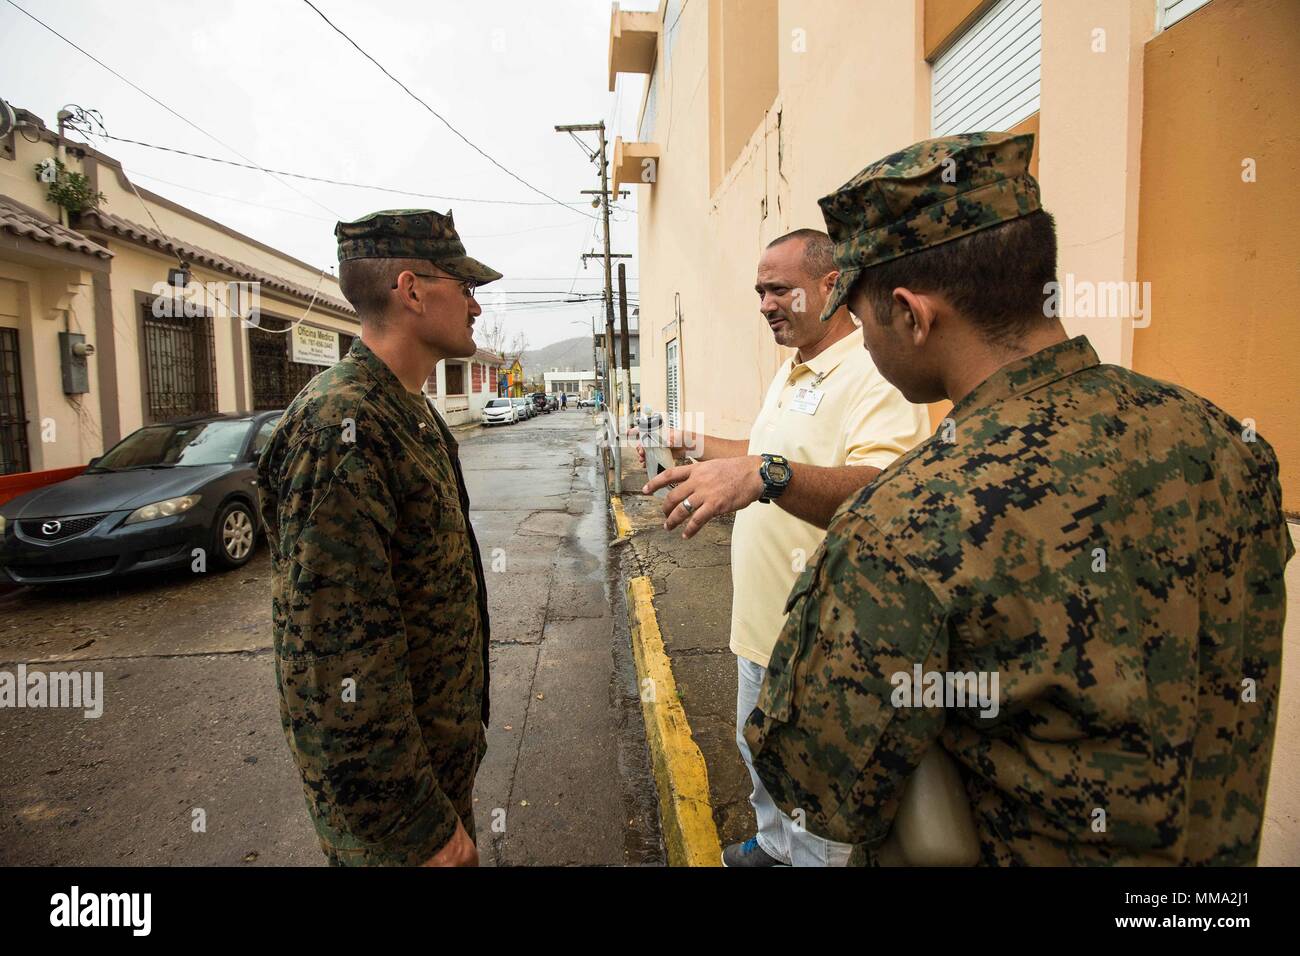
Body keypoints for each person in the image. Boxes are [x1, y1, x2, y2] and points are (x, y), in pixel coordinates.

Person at [745, 132, 1293, 865]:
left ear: (910, 314)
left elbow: (820, 784)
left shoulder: (906, 518)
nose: (863, 339)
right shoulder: (1228, 446)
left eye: (863, 315)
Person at [640, 229, 930, 866]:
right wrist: (693, 442)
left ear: (831, 285)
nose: (766, 305)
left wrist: (764, 473)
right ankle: (773, 846)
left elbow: (885, 490)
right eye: (759, 292)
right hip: (761, 631)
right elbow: (760, 458)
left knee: (816, 799)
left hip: (822, 647)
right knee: (762, 760)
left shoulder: (875, 373)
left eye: (779, 290)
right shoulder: (794, 371)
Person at [257, 208, 500, 866]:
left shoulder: (405, 411)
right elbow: (333, 660)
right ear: (412, 290)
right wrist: (417, 828)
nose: (476, 306)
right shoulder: (342, 425)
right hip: (397, 822)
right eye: (464, 286)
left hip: (434, 775)